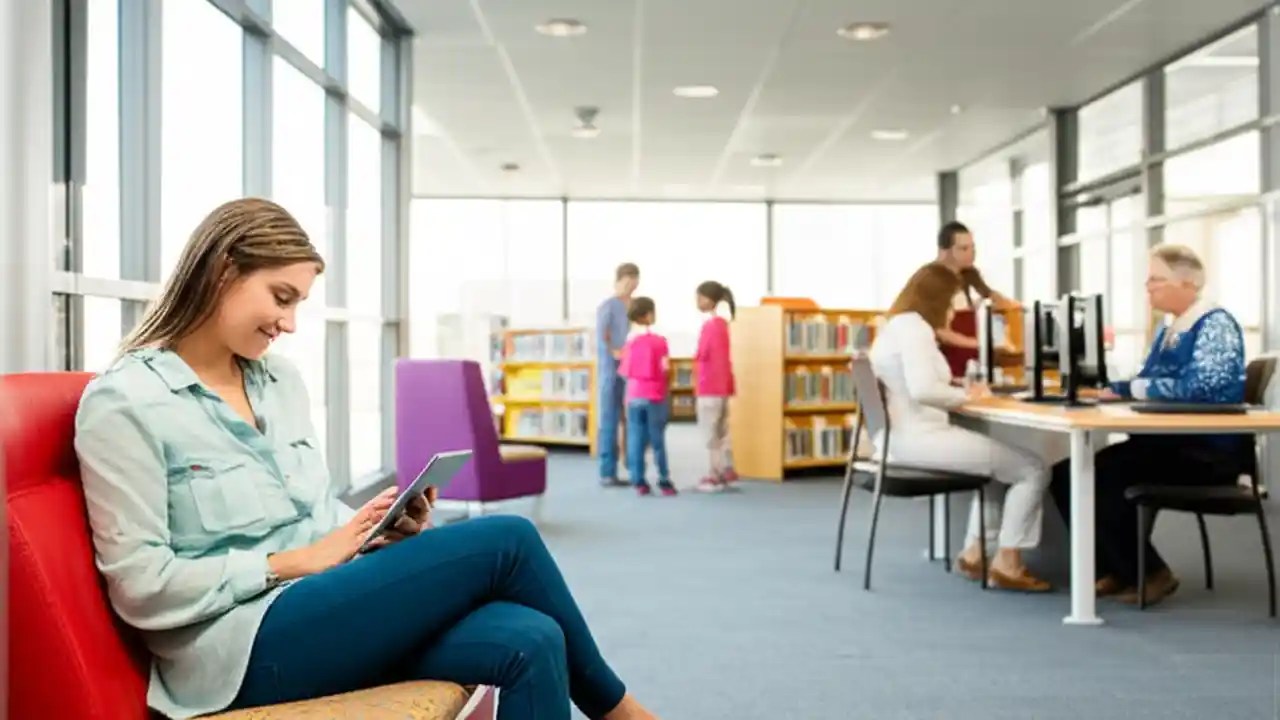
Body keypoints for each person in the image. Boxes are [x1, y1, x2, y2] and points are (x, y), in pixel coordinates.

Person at [74, 198, 657, 720]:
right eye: (282, 298)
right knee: (507, 538)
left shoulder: (279, 380)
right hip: (237, 650)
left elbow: (313, 512)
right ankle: (622, 713)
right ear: (224, 268)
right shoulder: (126, 403)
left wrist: (371, 535)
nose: (290, 323)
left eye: (299, 303)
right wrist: (292, 561)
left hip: (324, 602)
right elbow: (142, 587)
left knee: (533, 637)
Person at [1048, 244, 1250, 606]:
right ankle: (1114, 569)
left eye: (1156, 279)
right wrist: (1112, 390)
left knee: (1106, 479)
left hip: (1206, 452)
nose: (1148, 286)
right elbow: (1147, 377)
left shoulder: (1216, 324)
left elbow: (1204, 388)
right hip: (1167, 443)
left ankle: (1151, 572)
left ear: (1188, 283)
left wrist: (1138, 388)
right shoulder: (1169, 328)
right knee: (1066, 475)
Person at [869, 262, 1052, 592]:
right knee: (1032, 469)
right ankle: (1008, 561)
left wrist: (956, 386)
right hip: (921, 440)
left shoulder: (897, 326)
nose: (956, 310)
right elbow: (924, 389)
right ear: (937, 298)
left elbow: (915, 382)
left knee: (1002, 465)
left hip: (900, 440)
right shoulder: (915, 329)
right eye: (953, 301)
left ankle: (974, 552)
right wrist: (966, 396)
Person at [934, 222, 1018, 377]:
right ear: (944, 251)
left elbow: (993, 296)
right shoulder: (934, 282)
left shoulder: (970, 274)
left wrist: (1005, 306)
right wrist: (981, 343)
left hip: (974, 359)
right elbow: (941, 333)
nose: (971, 253)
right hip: (949, 361)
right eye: (964, 249)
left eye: (973, 248)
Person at [619, 297, 675, 497]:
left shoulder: (629, 342)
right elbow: (666, 370)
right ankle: (664, 480)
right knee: (657, 439)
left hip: (634, 396)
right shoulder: (660, 342)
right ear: (648, 314)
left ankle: (639, 481)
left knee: (635, 439)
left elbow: (625, 373)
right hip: (655, 396)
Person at [597, 263, 641, 488]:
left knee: (633, 421)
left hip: (633, 372)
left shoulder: (636, 307)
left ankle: (635, 468)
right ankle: (607, 472)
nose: (632, 284)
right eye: (629, 279)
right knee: (610, 420)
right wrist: (615, 352)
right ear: (619, 280)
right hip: (611, 371)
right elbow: (602, 336)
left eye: (636, 280)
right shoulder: (608, 306)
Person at [693, 280, 739, 493]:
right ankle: (725, 470)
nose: (696, 301)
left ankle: (714, 475)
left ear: (709, 300)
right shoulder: (723, 325)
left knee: (711, 434)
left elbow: (701, 354)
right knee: (722, 431)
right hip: (723, 386)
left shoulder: (709, 326)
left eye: (699, 297)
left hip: (708, 386)